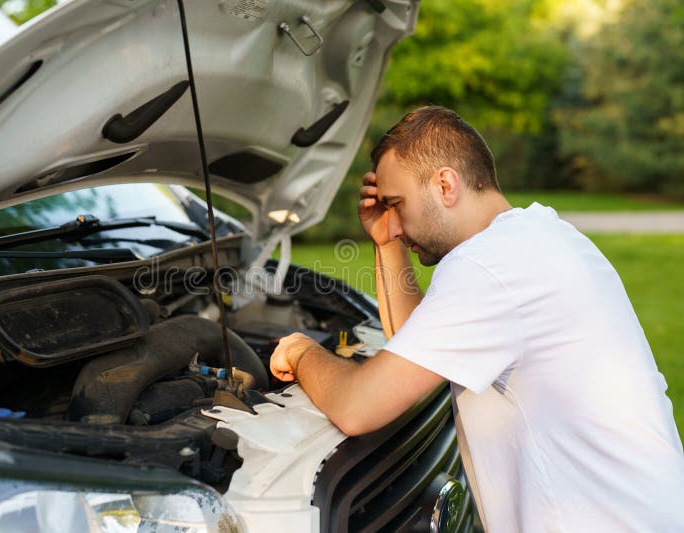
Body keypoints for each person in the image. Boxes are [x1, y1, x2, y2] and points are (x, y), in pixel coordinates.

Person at [269, 106, 684, 532]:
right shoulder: (535, 238)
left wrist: (301, 351)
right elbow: (414, 344)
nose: (392, 224)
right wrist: (385, 243)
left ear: (446, 184)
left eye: (396, 204)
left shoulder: (489, 266)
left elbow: (358, 407)